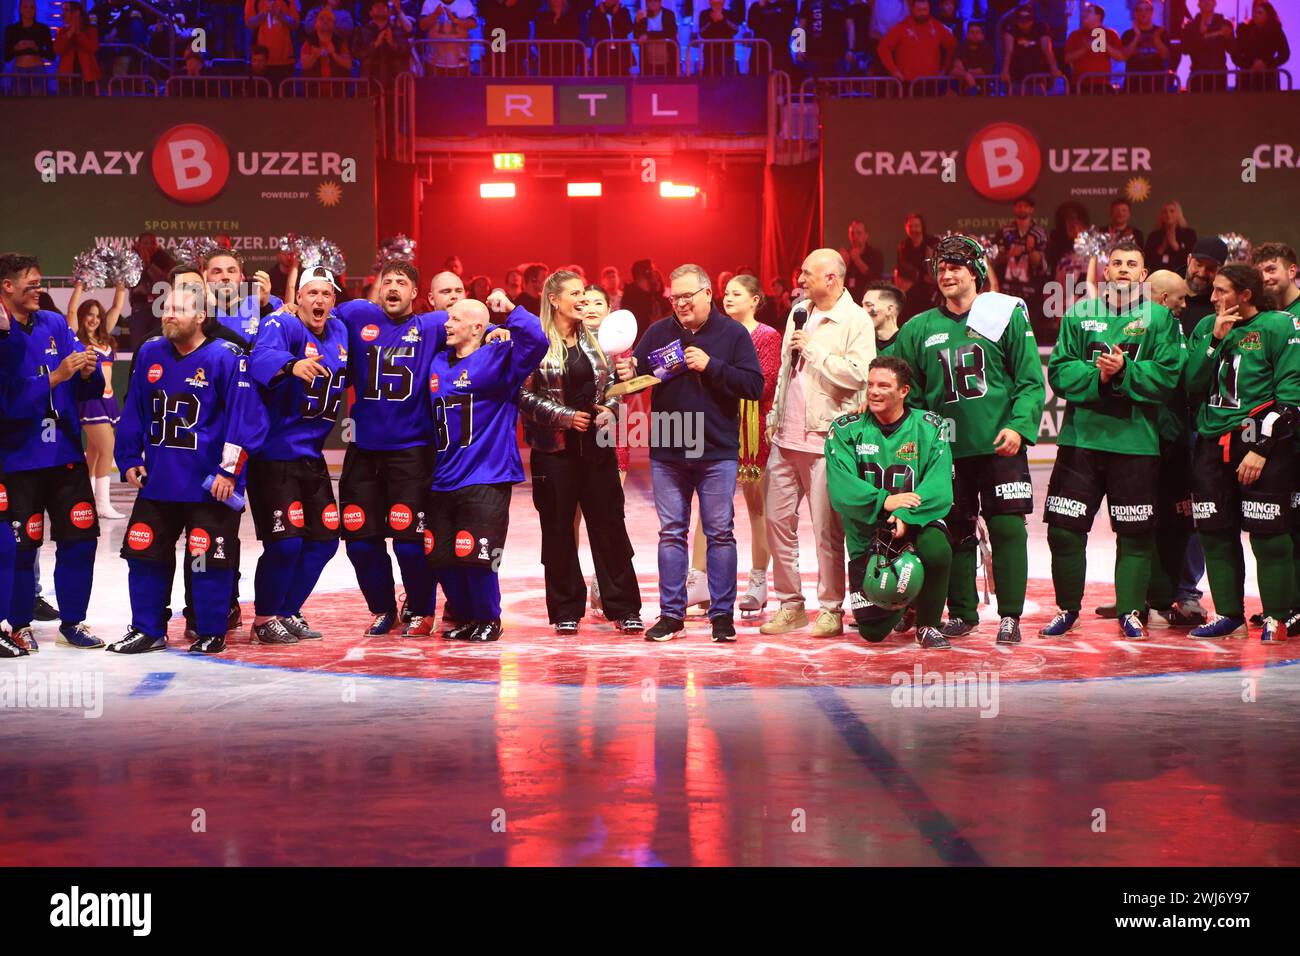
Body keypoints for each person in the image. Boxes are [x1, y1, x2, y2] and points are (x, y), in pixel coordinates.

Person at [893, 235, 1046, 645]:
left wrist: (1018, 426)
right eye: (940, 268)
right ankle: (962, 613)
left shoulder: (1005, 314)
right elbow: (907, 389)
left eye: (955, 267)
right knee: (953, 530)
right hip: (946, 453)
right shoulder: (918, 327)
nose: (946, 275)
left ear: (976, 272)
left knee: (1008, 528)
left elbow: (1031, 381)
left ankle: (1010, 616)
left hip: (1000, 445)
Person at [108, 280, 264, 656]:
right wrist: (129, 458)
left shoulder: (227, 356)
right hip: (158, 482)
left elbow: (247, 419)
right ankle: (147, 629)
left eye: (178, 308)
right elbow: (135, 410)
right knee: (143, 553)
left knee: (207, 559)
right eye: (166, 308)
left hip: (209, 486)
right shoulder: (150, 352)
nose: (169, 314)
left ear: (201, 316)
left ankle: (210, 629)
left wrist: (229, 472)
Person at [1040, 242, 1184, 641]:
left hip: (1136, 444)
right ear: (1106, 273)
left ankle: (1130, 612)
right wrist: (1099, 378)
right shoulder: (1079, 313)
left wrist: (1125, 370)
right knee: (1064, 531)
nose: (1122, 269)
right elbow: (1060, 371)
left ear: (1143, 275)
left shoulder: (1159, 318)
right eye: (1116, 263)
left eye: (1131, 264)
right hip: (1081, 441)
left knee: (1135, 534)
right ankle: (1068, 609)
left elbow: (1169, 374)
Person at [615, 264, 764, 643]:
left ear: (707, 293)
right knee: (671, 534)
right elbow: (637, 379)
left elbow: (754, 385)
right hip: (668, 450)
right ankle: (670, 615)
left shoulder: (732, 334)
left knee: (720, 533)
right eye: (674, 297)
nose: (680, 303)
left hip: (717, 450)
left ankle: (722, 617)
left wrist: (712, 366)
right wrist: (626, 371)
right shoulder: (658, 332)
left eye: (687, 296)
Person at [334, 262, 456, 637]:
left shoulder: (431, 325)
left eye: (401, 282)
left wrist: (499, 327)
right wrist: (285, 305)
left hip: (412, 453)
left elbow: (471, 324)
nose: (392, 287)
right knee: (359, 540)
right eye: (387, 281)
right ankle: (383, 608)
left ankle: (421, 609)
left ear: (415, 293)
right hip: (363, 451)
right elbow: (313, 312)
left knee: (409, 543)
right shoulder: (357, 315)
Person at [519, 271, 642, 634]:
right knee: (557, 530)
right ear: (554, 300)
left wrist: (610, 409)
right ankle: (565, 609)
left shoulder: (597, 341)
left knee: (610, 528)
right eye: (575, 294)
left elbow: (613, 390)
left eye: (585, 295)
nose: (583, 301)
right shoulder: (536, 342)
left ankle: (623, 606)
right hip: (554, 453)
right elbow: (522, 396)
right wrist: (566, 417)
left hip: (597, 450)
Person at [1184, 263, 1300, 642]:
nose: (1213, 297)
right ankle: (1230, 615)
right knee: (1215, 533)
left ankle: (1277, 618)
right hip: (1211, 446)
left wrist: (1262, 449)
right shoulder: (1206, 327)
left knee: (1269, 534)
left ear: (1245, 295)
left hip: (1261, 445)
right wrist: (1214, 341)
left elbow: (1291, 399)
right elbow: (1191, 386)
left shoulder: (1279, 326)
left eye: (1221, 291)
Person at [759, 249, 872, 638]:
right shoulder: (799, 311)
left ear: (832, 279)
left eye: (807, 273)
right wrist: (774, 416)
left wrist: (814, 349)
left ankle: (831, 609)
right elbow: (788, 370)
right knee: (777, 523)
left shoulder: (856, 320)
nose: (800, 279)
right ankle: (790, 606)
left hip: (827, 439)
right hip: (786, 439)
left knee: (827, 531)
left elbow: (860, 375)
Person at [0, 253, 104, 653]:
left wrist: (87, 373)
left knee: (81, 540)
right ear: (7, 286)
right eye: (32, 283)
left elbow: (82, 390)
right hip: (19, 460)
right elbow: (6, 401)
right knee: (23, 546)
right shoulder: (3, 335)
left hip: (65, 457)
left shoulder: (55, 323)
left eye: (41, 282)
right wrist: (56, 375)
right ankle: (20, 623)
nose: (40, 289)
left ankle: (73, 621)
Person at [429, 294, 548, 643]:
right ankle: (465, 617)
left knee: (477, 555)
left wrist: (508, 314)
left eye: (455, 319)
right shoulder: (437, 361)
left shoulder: (500, 358)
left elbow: (537, 341)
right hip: (442, 477)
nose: (446, 324)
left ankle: (488, 619)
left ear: (477, 327)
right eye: (447, 318)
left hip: (487, 474)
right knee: (440, 557)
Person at [244, 268, 349, 646]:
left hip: (311, 456)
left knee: (324, 541)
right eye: (312, 293)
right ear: (299, 298)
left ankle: (287, 610)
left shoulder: (340, 330)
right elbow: (260, 360)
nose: (319, 301)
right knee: (285, 542)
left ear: (333, 300)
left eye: (326, 294)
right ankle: (264, 617)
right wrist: (291, 365)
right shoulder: (281, 324)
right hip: (274, 456)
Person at [826, 356, 954, 649]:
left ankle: (928, 624)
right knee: (872, 632)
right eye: (870, 385)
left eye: (884, 385)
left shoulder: (930, 426)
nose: (873, 391)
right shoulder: (846, 429)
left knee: (937, 549)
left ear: (904, 391)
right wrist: (886, 502)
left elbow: (939, 485)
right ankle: (906, 602)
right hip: (869, 530)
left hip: (915, 520)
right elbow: (841, 489)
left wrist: (906, 514)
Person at [684, 274, 781, 615]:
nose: (728, 298)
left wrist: (719, 374)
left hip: (753, 428)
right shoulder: (715, 332)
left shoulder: (767, 336)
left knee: (757, 506)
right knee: (707, 507)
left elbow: (764, 383)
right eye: (725, 293)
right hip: (717, 424)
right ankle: (697, 581)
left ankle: (758, 581)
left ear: (755, 299)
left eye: (736, 294)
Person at [66, 279, 128, 520]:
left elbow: (115, 309)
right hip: (90, 400)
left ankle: (86, 499)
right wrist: (79, 285)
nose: (93, 319)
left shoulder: (104, 339)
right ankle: (102, 504)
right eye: (89, 315)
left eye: (97, 316)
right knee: (107, 448)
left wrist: (121, 288)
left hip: (108, 400)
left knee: (93, 452)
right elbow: (70, 311)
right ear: (81, 316)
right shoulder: (76, 340)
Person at [995, 194, 1049, 336]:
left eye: (1026, 206)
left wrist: (1031, 250)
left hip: (1031, 292)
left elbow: (1042, 266)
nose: (1022, 209)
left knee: (1029, 332)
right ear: (1014, 208)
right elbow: (995, 260)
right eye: (1019, 205)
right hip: (1007, 291)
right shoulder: (1006, 232)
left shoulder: (1039, 233)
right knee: (1005, 331)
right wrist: (1008, 255)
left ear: (1032, 210)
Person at [205, 250, 281, 343]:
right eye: (217, 272)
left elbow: (277, 342)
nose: (225, 276)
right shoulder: (198, 314)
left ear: (241, 277)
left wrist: (264, 308)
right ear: (205, 278)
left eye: (231, 271)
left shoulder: (269, 303)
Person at [877, 0, 953, 85]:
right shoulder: (901, 27)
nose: (922, 13)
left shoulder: (937, 26)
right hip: (906, 82)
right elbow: (883, 48)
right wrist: (894, 70)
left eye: (925, 9)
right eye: (919, 10)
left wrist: (944, 70)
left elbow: (953, 47)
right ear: (912, 10)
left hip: (931, 82)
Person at [999, 2, 1062, 89]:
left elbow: (1047, 49)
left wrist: (1054, 68)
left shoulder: (1041, 27)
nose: (1024, 23)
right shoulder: (1011, 28)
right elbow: (1008, 51)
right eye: (1021, 19)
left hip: (1038, 75)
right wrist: (1005, 71)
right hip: (1017, 75)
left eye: (1027, 19)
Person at [1064, 2, 1122, 93]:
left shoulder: (1110, 34)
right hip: (1079, 84)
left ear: (1098, 16)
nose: (1084, 14)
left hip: (1102, 85)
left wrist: (1105, 45)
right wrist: (1084, 49)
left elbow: (1120, 57)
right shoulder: (1075, 35)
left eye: (1088, 12)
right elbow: (1067, 58)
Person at [1233, 1, 1290, 93]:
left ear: (1267, 15)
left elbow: (1285, 53)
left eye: (1259, 12)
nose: (1255, 15)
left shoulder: (1275, 30)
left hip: (1268, 77)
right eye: (1254, 12)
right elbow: (1236, 53)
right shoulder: (1244, 30)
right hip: (1247, 77)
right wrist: (1249, 65)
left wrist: (1266, 64)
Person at [244, 0, 301, 89]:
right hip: (261, 61)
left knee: (285, 98)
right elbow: (250, 24)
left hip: (285, 59)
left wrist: (280, 15)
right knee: (260, 98)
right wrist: (264, 13)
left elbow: (295, 24)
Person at [358, 0, 414, 88]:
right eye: (376, 6)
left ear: (389, 13)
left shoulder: (398, 30)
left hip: (394, 85)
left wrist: (392, 44)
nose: (380, 8)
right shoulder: (361, 31)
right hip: (369, 85)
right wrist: (375, 44)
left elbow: (407, 53)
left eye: (383, 7)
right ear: (370, 13)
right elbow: (357, 53)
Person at [1121, 0, 1172, 93]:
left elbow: (1166, 55)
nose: (1143, 13)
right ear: (1135, 13)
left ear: (1152, 12)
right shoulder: (1128, 34)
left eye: (1146, 10)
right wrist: (1136, 36)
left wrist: (1156, 38)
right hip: (1133, 84)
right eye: (1140, 10)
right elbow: (1124, 56)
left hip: (1156, 84)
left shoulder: (1161, 32)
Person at [1182, 0, 1233, 92]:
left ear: (1215, 3)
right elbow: (1185, 49)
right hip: (1197, 75)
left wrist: (1229, 37)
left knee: (1218, 105)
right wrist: (1200, 35)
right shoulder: (1191, 26)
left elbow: (1232, 49)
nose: (1206, 2)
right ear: (1198, 4)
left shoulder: (1224, 23)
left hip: (1218, 75)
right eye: (1203, 0)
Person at [4, 0, 55, 90]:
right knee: (19, 102)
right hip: (19, 70)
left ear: (35, 9)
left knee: (39, 102)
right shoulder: (11, 29)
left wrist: (36, 48)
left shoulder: (43, 29)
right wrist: (16, 48)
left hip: (38, 70)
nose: (28, 10)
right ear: (20, 9)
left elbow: (52, 56)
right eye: (25, 7)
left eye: (32, 7)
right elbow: (6, 57)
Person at [1182, 235, 1226, 335]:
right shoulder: (1163, 283)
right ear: (1189, 260)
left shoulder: (1219, 307)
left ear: (1220, 270)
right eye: (1198, 264)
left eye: (1210, 268)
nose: (1202, 273)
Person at [52, 1, 100, 85]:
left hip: (88, 76)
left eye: (66, 10)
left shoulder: (91, 30)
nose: (63, 13)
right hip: (66, 77)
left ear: (77, 13)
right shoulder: (61, 32)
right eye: (63, 10)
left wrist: (78, 32)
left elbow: (92, 47)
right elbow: (58, 49)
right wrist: (70, 32)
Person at [1144, 201, 1197, 274]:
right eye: (1165, 212)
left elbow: (1193, 259)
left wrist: (1175, 246)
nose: (1168, 215)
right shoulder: (1154, 236)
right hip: (1157, 275)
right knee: (1137, 285)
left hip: (1181, 276)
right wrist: (1162, 248)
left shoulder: (1189, 234)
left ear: (1178, 214)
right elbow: (1147, 260)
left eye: (1172, 211)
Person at [300, 6, 354, 77]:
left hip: (337, 86)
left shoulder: (340, 42)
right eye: (321, 19)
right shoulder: (309, 42)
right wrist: (313, 56)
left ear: (334, 25)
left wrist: (334, 54)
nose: (325, 22)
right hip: (314, 87)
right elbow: (304, 65)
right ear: (315, 24)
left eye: (329, 19)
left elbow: (348, 64)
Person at [842, 220, 886, 304]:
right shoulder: (846, 255)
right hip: (849, 302)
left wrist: (857, 260)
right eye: (852, 233)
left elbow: (874, 277)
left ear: (866, 236)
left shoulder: (875, 254)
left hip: (869, 302)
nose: (855, 237)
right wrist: (843, 264)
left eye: (858, 233)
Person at [747, 0, 795, 74]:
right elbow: (751, 24)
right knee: (759, 80)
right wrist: (760, 7)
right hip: (760, 52)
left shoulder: (786, 5)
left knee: (782, 79)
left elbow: (789, 23)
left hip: (780, 50)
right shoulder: (755, 6)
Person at [896, 212, 938, 294]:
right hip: (910, 291)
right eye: (910, 226)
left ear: (922, 227)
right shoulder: (903, 246)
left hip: (930, 292)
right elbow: (903, 270)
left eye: (916, 226)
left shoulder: (932, 243)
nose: (913, 229)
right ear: (906, 228)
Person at [634, 0, 678, 76]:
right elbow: (637, 36)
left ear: (660, 3)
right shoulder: (643, 14)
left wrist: (648, 35)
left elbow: (671, 32)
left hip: (667, 59)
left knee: (668, 84)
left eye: (655, 1)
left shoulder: (668, 14)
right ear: (646, 3)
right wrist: (637, 22)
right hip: (648, 60)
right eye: (650, 1)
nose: (653, 4)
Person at [590, 0, 635, 75]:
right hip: (602, 52)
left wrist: (617, 15)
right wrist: (601, 15)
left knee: (622, 77)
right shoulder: (596, 11)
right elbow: (593, 31)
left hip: (621, 52)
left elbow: (628, 28)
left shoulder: (623, 11)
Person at [951, 20, 995, 91]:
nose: (974, 35)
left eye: (977, 32)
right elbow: (954, 70)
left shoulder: (988, 49)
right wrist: (966, 75)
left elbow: (983, 71)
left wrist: (965, 72)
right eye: (971, 32)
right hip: (962, 91)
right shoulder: (960, 48)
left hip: (983, 90)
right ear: (967, 35)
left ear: (982, 36)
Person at [863, 280, 904, 355]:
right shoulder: (861, 342)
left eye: (868, 305)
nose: (862, 310)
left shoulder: (907, 346)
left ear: (889, 309)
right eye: (862, 306)